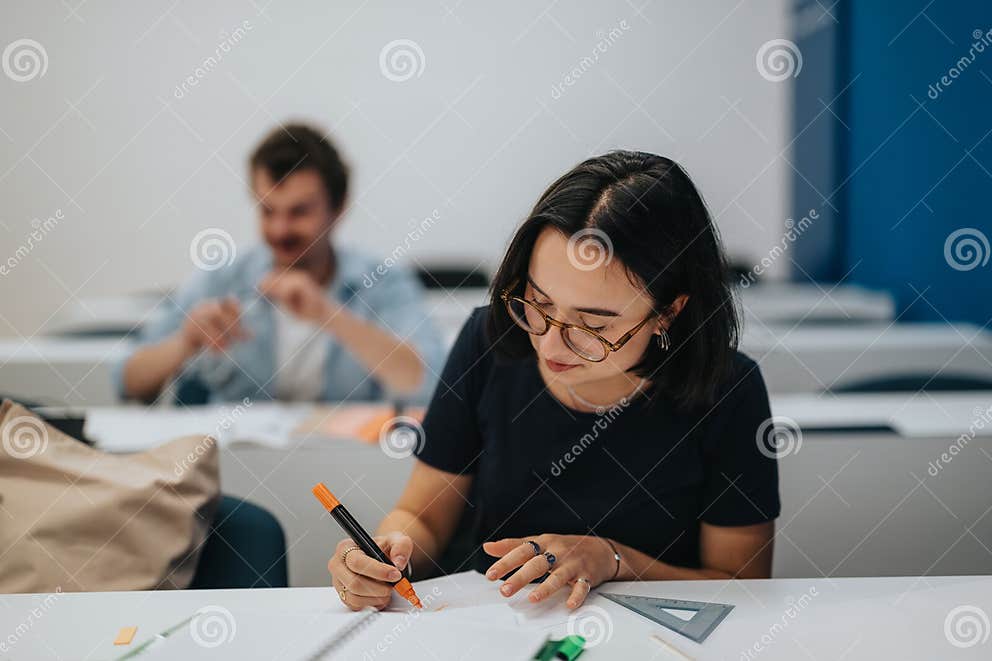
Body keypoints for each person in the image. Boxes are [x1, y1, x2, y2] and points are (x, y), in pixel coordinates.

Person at [327, 151, 781, 611]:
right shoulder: (492, 340)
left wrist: (613, 559)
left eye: (592, 327)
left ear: (668, 312)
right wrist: (385, 554)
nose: (549, 347)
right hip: (493, 629)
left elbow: (741, 582)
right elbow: (423, 520)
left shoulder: (728, 391)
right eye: (538, 304)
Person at [114, 123, 443, 405]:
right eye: (268, 211)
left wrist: (327, 315)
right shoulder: (222, 280)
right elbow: (125, 381)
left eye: (299, 212)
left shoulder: (381, 283)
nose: (280, 230)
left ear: (338, 207)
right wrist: (185, 342)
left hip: (347, 463)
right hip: (238, 465)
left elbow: (428, 384)